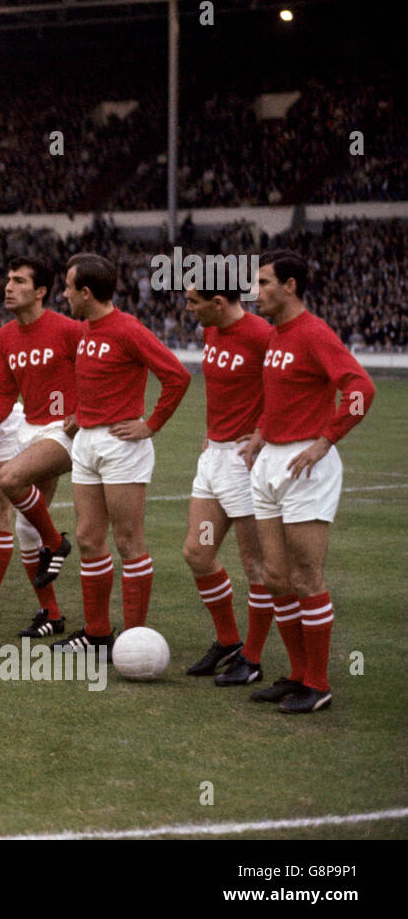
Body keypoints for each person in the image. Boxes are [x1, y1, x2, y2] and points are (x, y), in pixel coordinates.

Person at [241, 250, 375, 713]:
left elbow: (361, 389)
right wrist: (261, 434)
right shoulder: (278, 336)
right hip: (271, 463)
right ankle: (297, 675)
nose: (255, 292)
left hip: (306, 466)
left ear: (290, 286)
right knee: (275, 576)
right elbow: (279, 395)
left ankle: (319, 684)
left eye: (263, 283)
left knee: (304, 575)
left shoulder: (314, 332)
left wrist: (325, 442)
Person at [55, 253, 190, 653]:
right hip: (87, 443)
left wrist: (151, 424)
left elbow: (177, 377)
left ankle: (134, 639)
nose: (64, 294)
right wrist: (82, 414)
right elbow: (96, 379)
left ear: (86, 292)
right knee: (86, 537)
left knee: (128, 539)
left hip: (122, 444)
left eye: (67, 287)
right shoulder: (84, 331)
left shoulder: (128, 329)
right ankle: (97, 634)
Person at [0, 257, 81, 636]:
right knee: (26, 530)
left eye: (18, 281)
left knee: (10, 479)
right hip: (28, 429)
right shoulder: (5, 336)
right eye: (7, 279)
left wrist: (82, 409)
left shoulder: (68, 329)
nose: (8, 286)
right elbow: (3, 393)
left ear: (40, 292)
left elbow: (101, 369)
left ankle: (57, 542)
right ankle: (51, 615)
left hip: (63, 430)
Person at [180, 282, 275, 683]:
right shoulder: (210, 330)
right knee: (198, 552)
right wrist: (210, 431)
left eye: (193, 302)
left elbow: (290, 389)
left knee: (256, 565)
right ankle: (229, 641)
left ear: (218, 302)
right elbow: (220, 390)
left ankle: (251, 660)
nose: (188, 309)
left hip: (245, 465)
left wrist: (261, 432)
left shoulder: (263, 336)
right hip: (213, 460)